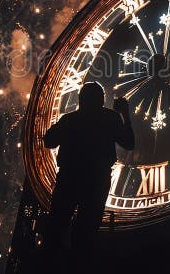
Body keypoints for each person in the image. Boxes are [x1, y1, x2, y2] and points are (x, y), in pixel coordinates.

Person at [41, 82, 134, 267]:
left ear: (81, 100)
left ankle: (47, 263)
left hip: (69, 179)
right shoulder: (111, 118)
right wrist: (125, 115)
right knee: (85, 234)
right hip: (96, 181)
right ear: (101, 101)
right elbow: (129, 143)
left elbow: (49, 141)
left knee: (56, 227)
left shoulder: (70, 120)